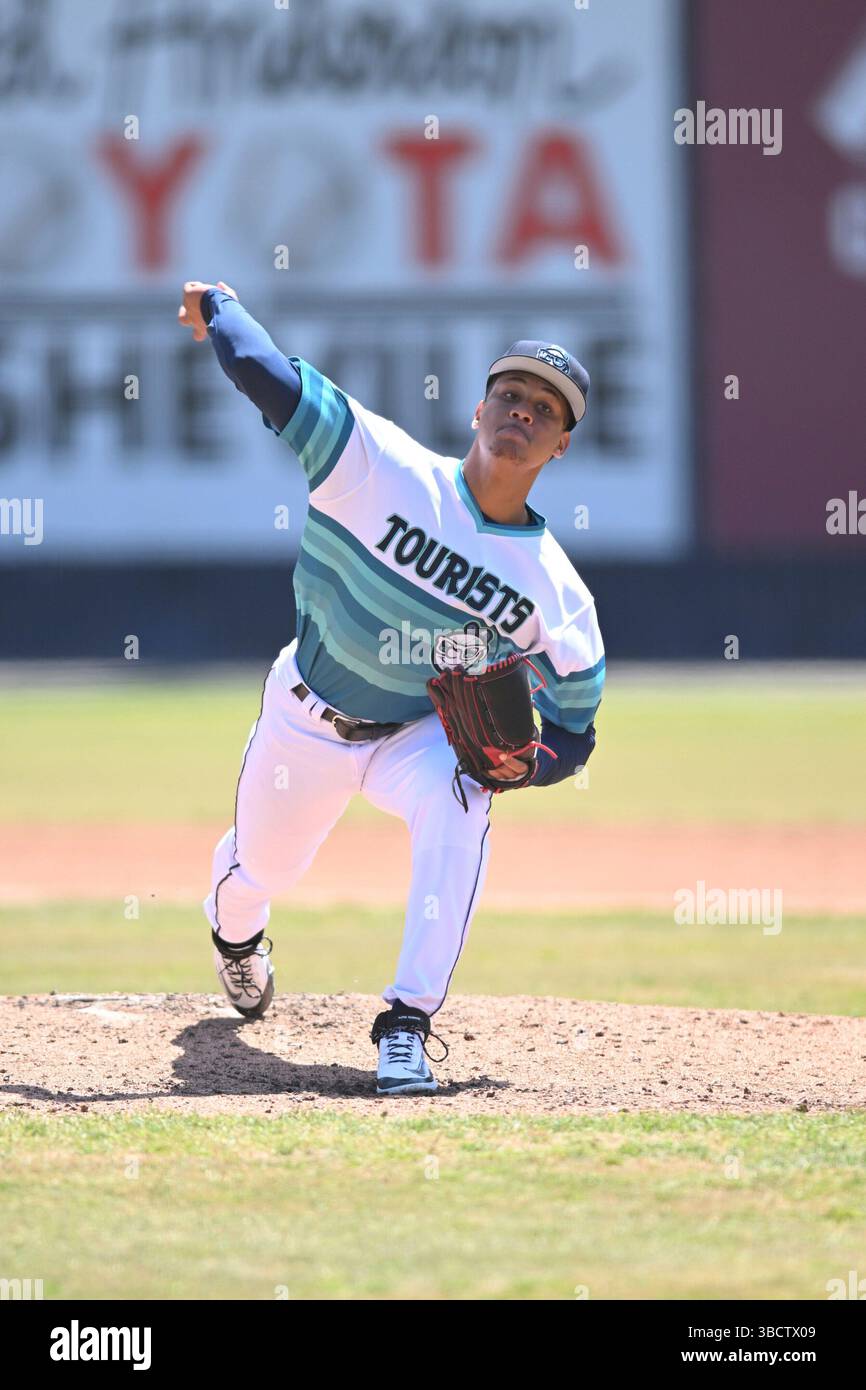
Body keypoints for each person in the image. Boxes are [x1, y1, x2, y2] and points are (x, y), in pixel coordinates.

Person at [177, 280, 605, 1095]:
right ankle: (237, 940)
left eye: (543, 411)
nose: (521, 412)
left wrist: (529, 765)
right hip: (305, 716)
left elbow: (576, 730)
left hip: (414, 734)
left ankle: (406, 1024)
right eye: (508, 395)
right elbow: (268, 374)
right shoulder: (378, 466)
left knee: (467, 793)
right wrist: (220, 306)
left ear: (560, 447)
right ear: (477, 412)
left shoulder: (556, 594)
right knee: (260, 875)